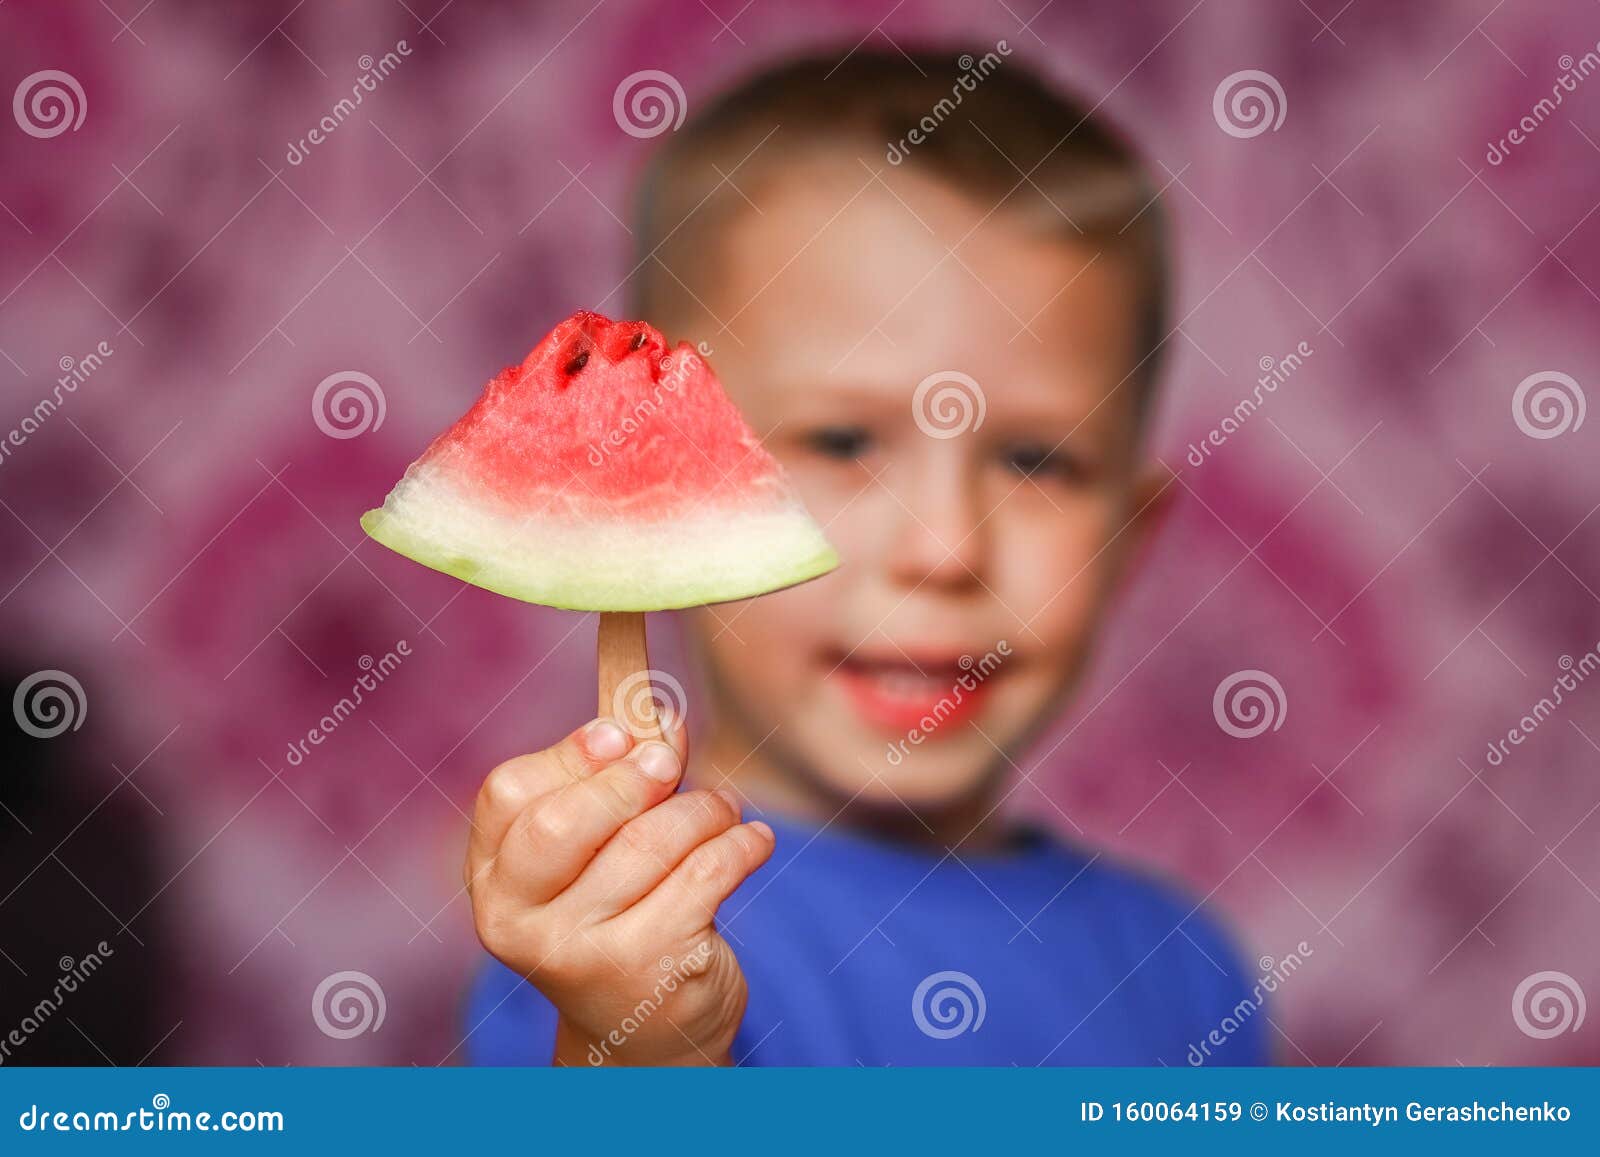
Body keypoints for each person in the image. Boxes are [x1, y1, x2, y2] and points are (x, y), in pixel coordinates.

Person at [460, 48, 1268, 1066]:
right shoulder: (619, 936)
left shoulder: (1187, 968)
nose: (944, 548)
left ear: (1129, 533)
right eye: (843, 442)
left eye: (1035, 461)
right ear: (662, 478)